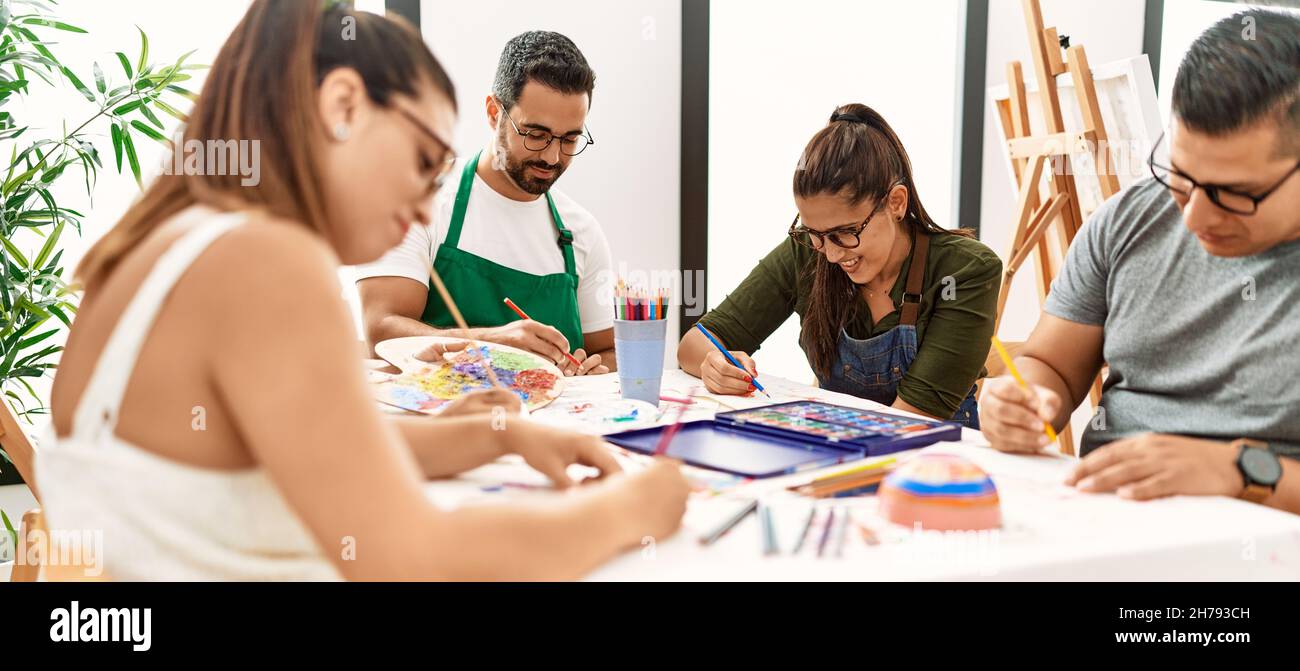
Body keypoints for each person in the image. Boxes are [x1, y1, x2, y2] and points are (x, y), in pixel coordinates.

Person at [38, 0, 688, 581]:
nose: (423, 196)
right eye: (424, 159)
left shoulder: (161, 246)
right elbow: (416, 556)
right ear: (344, 106)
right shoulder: (267, 261)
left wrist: (499, 434)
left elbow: (293, 458)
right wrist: (631, 509)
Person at [979, 10, 1300, 515]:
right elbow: (1051, 365)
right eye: (1179, 175)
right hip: (1103, 517)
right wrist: (1020, 400)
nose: (1194, 215)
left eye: (1234, 193)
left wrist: (1236, 471)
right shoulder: (1129, 218)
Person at [679, 104, 1002, 427]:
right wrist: (715, 363)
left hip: (934, 467)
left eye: (846, 233)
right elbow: (693, 344)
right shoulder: (807, 254)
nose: (831, 254)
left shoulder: (964, 272)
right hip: (839, 451)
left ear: (896, 203)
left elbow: (911, 419)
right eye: (815, 234)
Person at [357, 30, 615, 376]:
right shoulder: (422, 204)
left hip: (551, 428)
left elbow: (607, 352)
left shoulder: (580, 231)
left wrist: (595, 374)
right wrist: (490, 345)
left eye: (570, 139)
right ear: (494, 113)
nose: (553, 157)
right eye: (536, 135)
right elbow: (382, 331)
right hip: (441, 424)